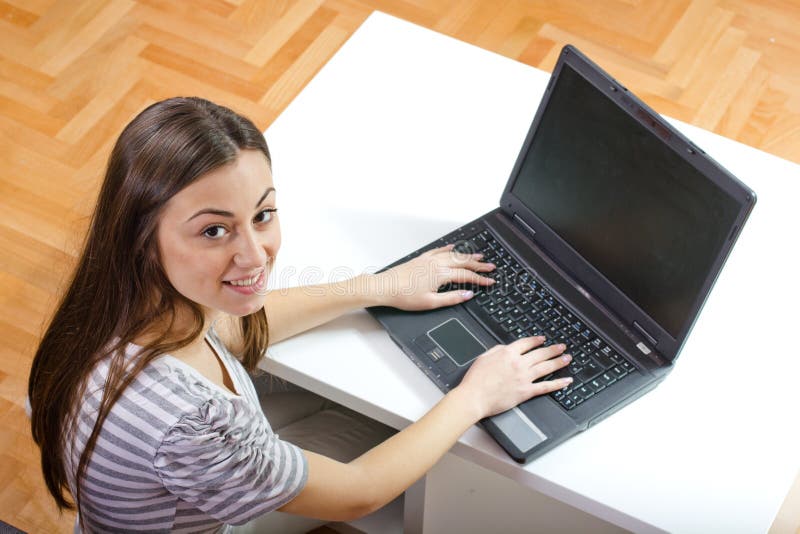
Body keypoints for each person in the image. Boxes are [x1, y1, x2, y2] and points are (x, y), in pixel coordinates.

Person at [27, 97, 573, 533]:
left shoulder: (116, 305)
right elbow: (360, 492)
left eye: (262, 214)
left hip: (160, 501)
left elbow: (233, 328)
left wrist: (379, 286)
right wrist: (476, 395)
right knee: (389, 423)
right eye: (214, 230)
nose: (254, 255)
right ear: (143, 238)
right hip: (203, 511)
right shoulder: (190, 427)